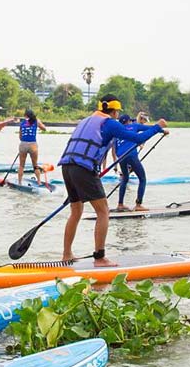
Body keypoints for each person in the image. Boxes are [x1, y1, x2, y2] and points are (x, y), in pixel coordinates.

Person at [58, 96, 165, 265]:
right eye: (117, 112)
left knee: (76, 211)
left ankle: (66, 254)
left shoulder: (85, 120)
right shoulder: (110, 123)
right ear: (114, 111)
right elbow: (137, 139)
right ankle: (99, 258)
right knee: (103, 211)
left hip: (67, 167)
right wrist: (158, 127)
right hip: (83, 169)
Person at [112, 113, 151, 211]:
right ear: (129, 121)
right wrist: (162, 130)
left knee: (125, 179)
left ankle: (120, 204)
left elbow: (115, 149)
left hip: (121, 157)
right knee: (142, 178)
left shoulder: (117, 132)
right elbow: (150, 129)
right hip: (131, 156)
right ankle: (138, 205)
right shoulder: (134, 126)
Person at [2, 109, 47, 186]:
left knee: (21, 165)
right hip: (33, 145)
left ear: (25, 115)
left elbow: (20, 137)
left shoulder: (22, 123)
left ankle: (19, 182)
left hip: (23, 145)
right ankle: (39, 182)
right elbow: (44, 129)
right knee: (35, 165)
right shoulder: (36, 121)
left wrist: (25, 141)